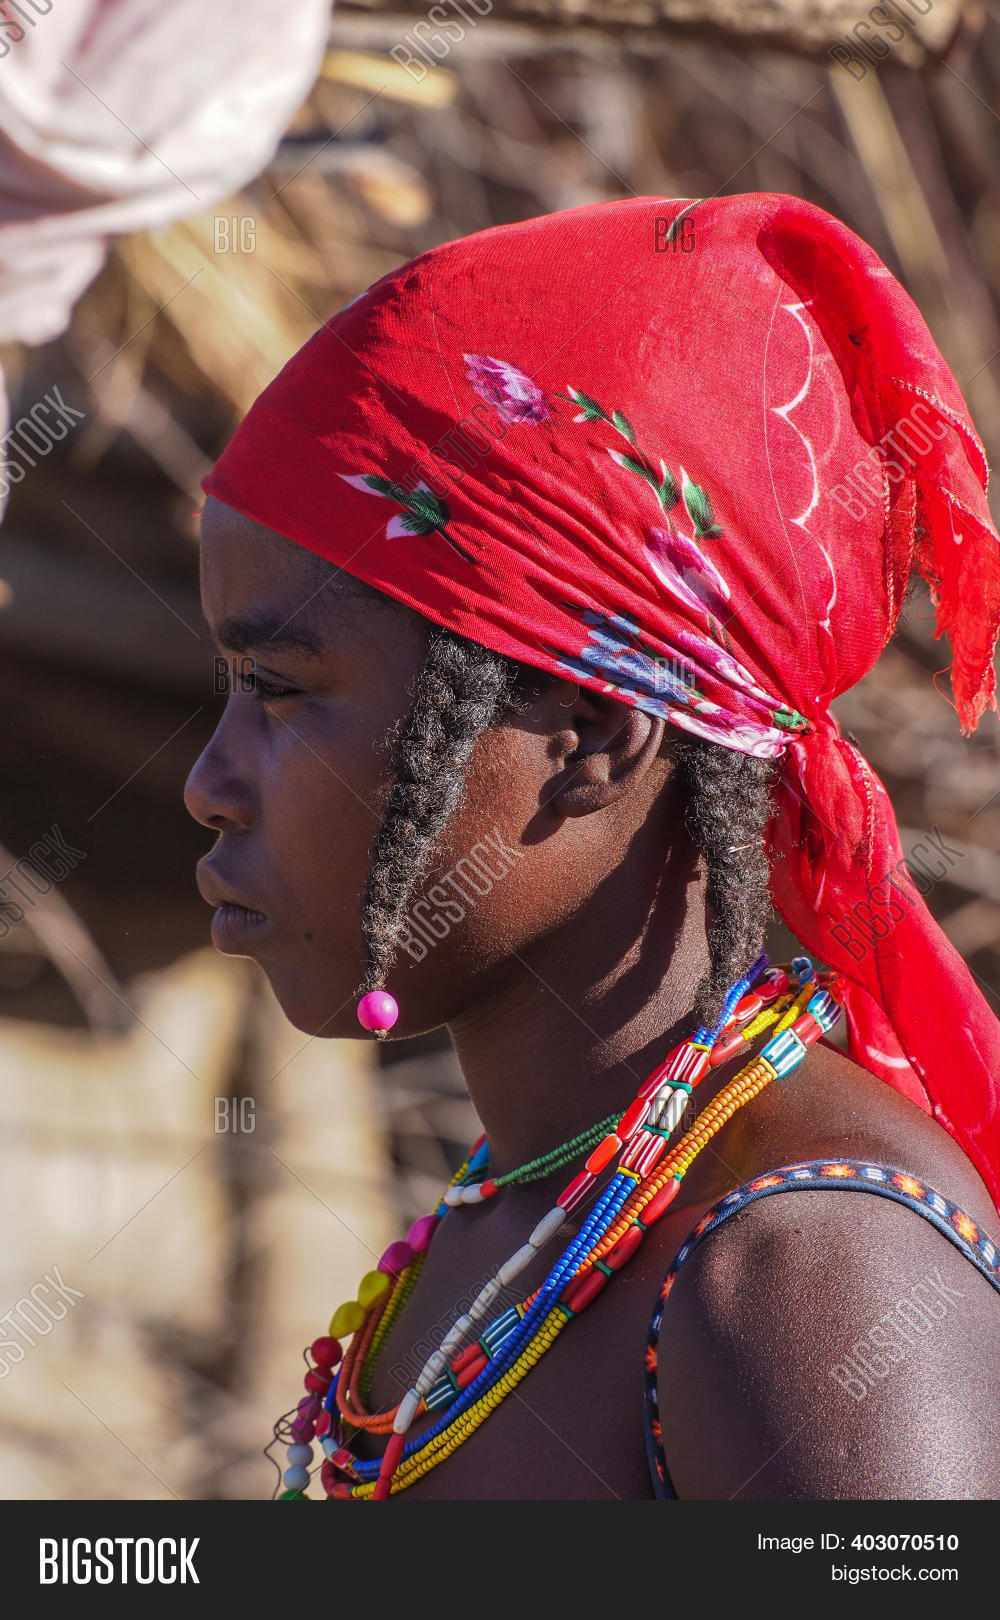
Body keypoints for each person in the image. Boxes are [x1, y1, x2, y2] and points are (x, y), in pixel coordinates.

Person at [185, 192, 1000, 1501]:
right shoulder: (521, 1221)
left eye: (279, 692)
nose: (208, 785)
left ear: (594, 737)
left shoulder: (798, 1285)